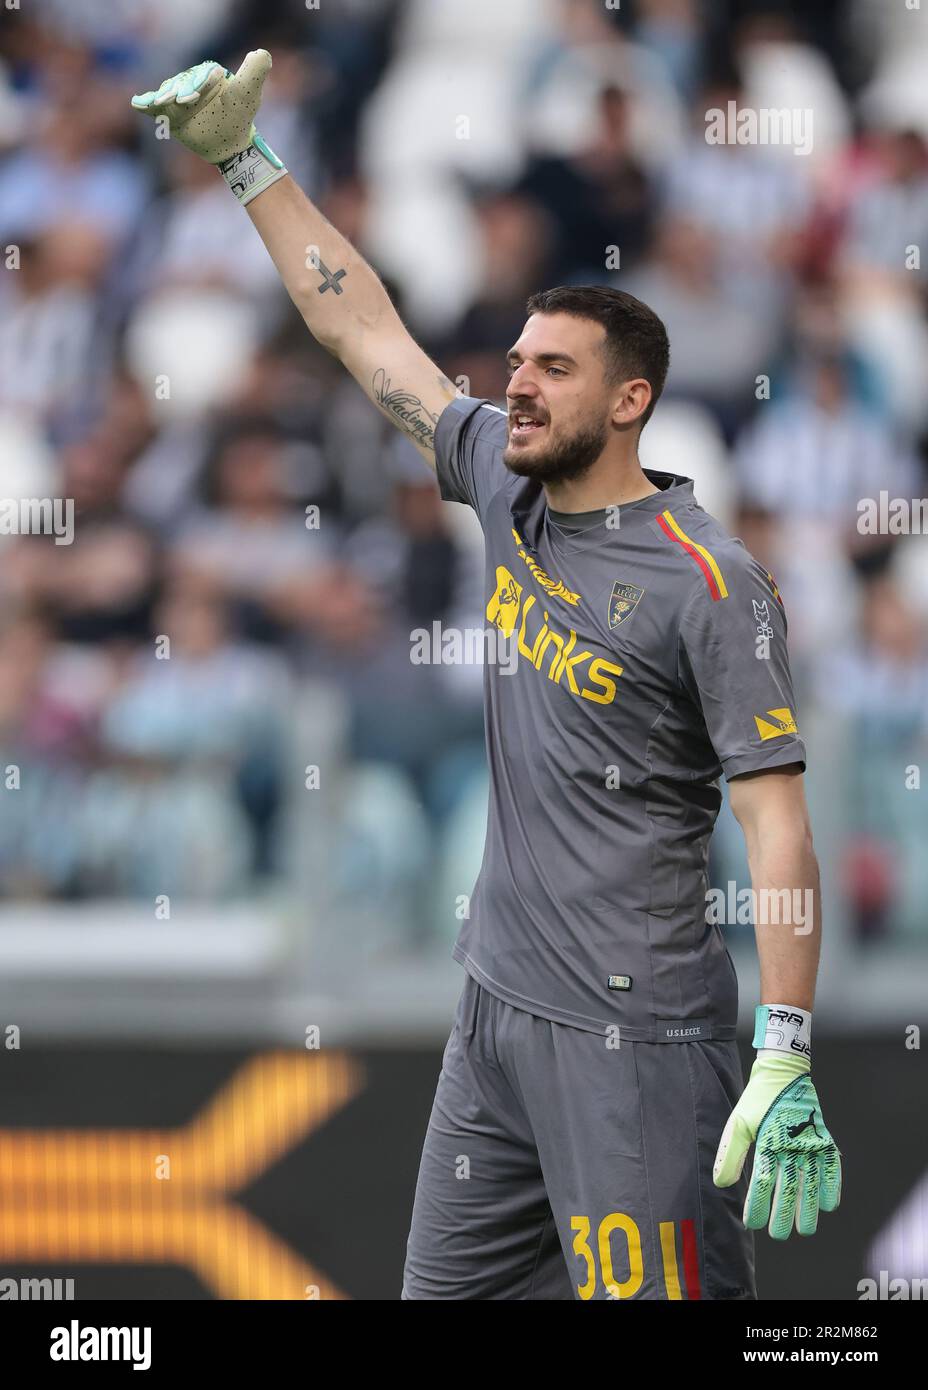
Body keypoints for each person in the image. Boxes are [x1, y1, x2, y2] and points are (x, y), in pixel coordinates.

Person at [132, 51, 841, 1301]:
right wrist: (249, 165)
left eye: (550, 370)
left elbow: (776, 831)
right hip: (496, 1011)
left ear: (630, 402)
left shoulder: (710, 582)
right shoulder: (502, 483)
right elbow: (359, 326)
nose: (514, 383)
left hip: (639, 1045)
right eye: (514, 362)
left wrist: (784, 1041)